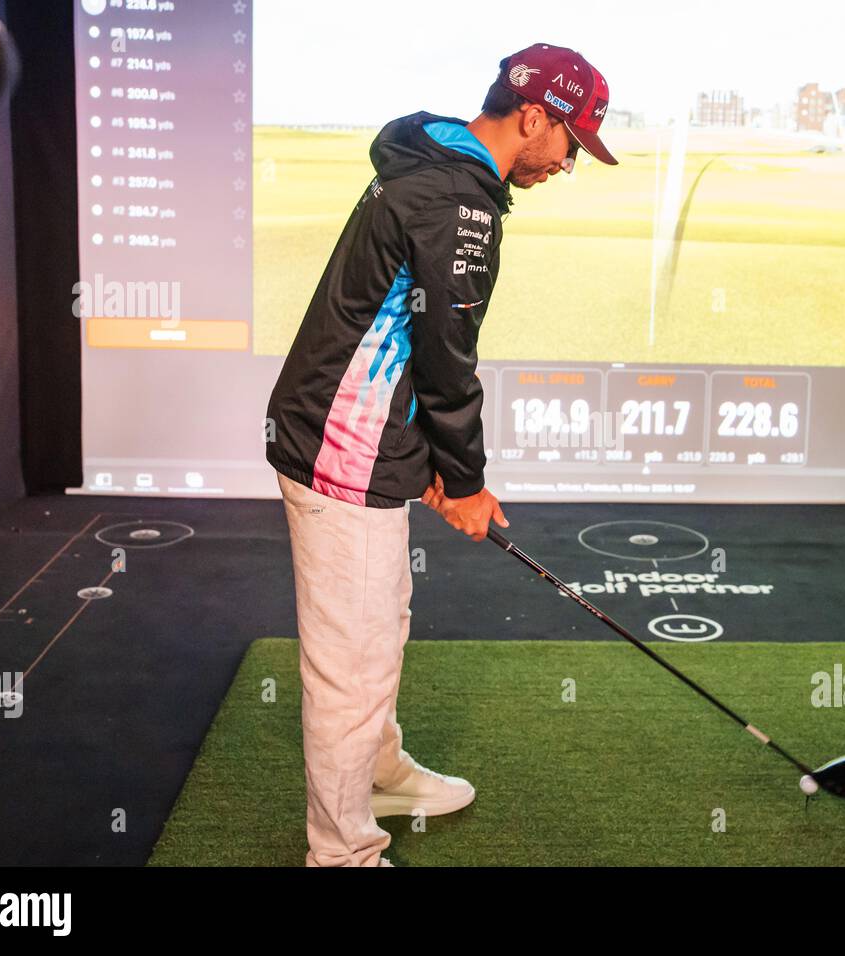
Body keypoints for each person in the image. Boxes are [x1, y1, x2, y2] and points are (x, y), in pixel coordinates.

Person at [264, 43, 618, 867]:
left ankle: (379, 771)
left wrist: (420, 457)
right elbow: (445, 359)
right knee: (351, 662)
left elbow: (409, 341)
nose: (569, 164)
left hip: (362, 432)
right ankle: (342, 854)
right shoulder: (458, 203)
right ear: (534, 116)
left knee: (383, 622)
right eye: (572, 143)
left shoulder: (433, 161)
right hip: (341, 445)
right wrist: (464, 481)